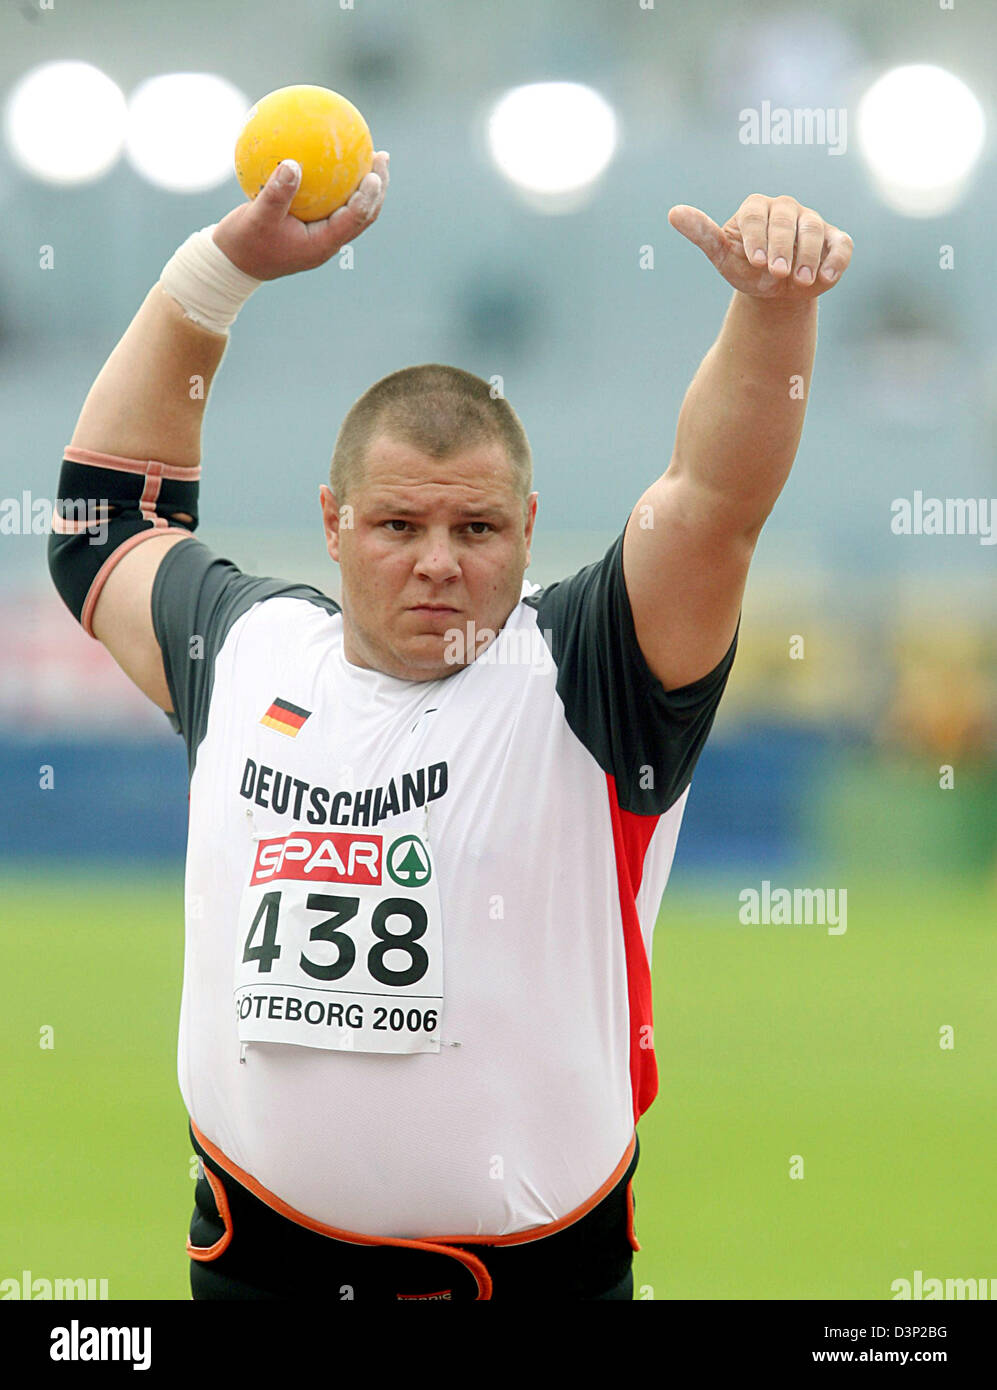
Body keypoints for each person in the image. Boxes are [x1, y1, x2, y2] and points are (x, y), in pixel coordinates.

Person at [48, 152, 852, 1301]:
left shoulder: (590, 670)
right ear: (332, 524)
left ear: (527, 528)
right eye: (396, 525)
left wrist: (772, 309)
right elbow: (100, 524)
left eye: (476, 528)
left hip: (529, 1282)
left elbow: (713, 503)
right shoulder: (246, 649)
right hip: (252, 1268)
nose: (436, 564)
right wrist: (214, 272)